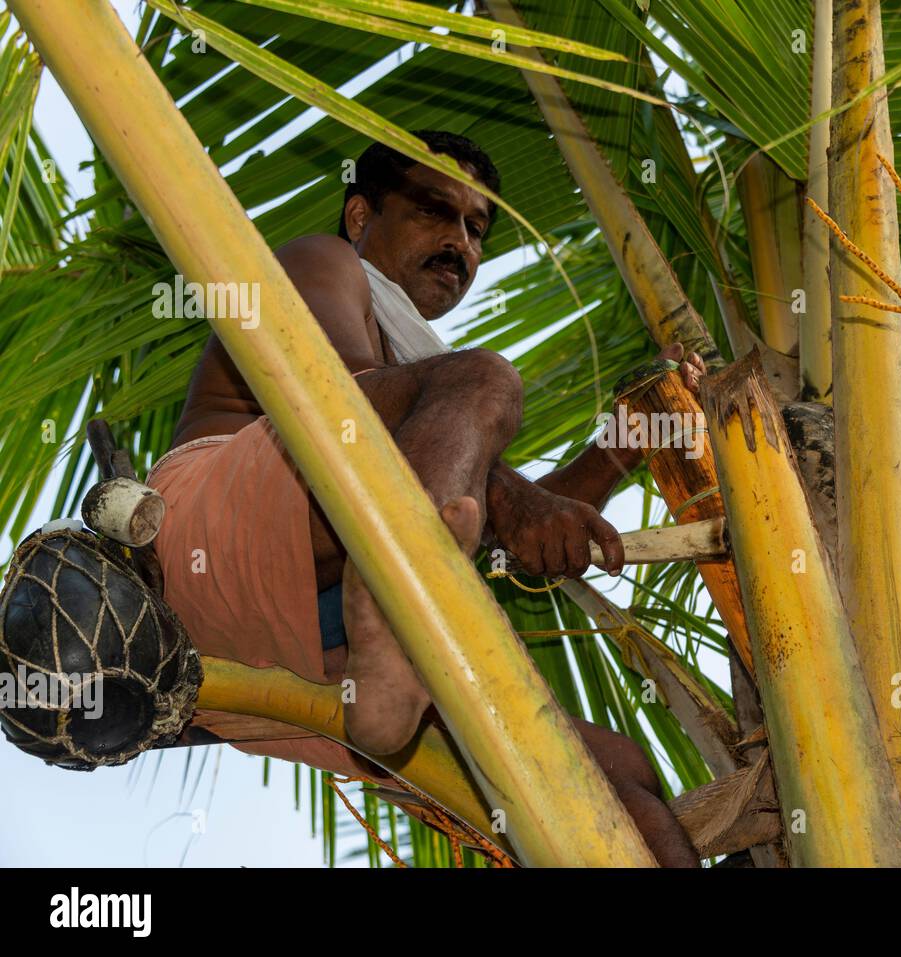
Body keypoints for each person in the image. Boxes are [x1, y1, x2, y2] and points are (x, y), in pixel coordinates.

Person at [146, 130, 704, 866]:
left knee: (623, 780)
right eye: (436, 211)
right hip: (202, 549)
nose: (461, 242)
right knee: (486, 380)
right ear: (359, 217)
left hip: (302, 663)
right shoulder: (325, 263)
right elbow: (336, 411)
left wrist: (627, 439)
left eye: (477, 228)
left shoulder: (435, 396)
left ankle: (392, 634)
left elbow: (515, 521)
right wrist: (513, 496)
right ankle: (393, 605)